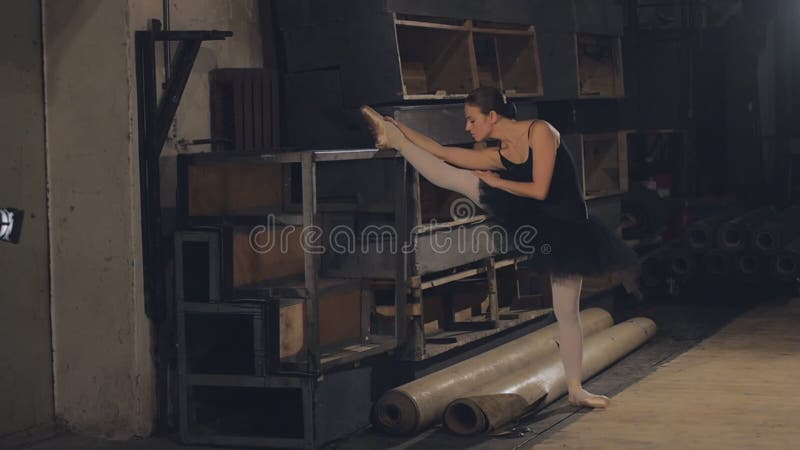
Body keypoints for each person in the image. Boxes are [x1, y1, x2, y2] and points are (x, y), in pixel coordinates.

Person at [360, 86, 637, 409]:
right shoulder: (499, 153)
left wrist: (497, 182)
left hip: (568, 230)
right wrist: (399, 129)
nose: (467, 128)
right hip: (532, 216)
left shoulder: (541, 132)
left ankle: (576, 390)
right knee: (452, 176)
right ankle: (393, 140)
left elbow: (539, 189)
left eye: (471, 120)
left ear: (492, 116)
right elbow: (442, 153)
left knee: (566, 313)